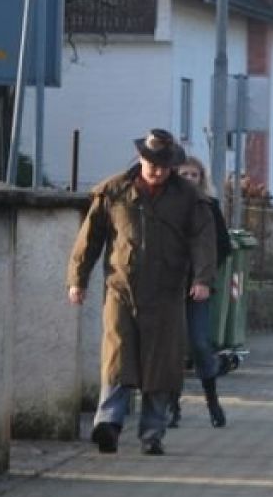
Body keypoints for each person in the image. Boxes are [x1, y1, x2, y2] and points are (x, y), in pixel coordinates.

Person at [67, 129, 215, 456]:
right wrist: (78, 279)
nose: (158, 171)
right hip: (121, 289)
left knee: (160, 365)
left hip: (167, 293)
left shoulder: (189, 198)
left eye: (164, 166)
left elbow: (203, 240)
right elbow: (89, 239)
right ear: (141, 158)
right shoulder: (114, 190)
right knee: (117, 357)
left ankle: (152, 433)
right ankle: (108, 424)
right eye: (152, 164)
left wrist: (202, 278)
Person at [170, 157, 232, 429]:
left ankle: (212, 400)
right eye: (184, 174)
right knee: (171, 347)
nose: (189, 179)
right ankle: (171, 405)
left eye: (194, 175)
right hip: (170, 286)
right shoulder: (167, 205)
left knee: (199, 343)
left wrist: (204, 274)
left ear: (201, 178)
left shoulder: (209, 206)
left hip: (198, 288)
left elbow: (222, 245)